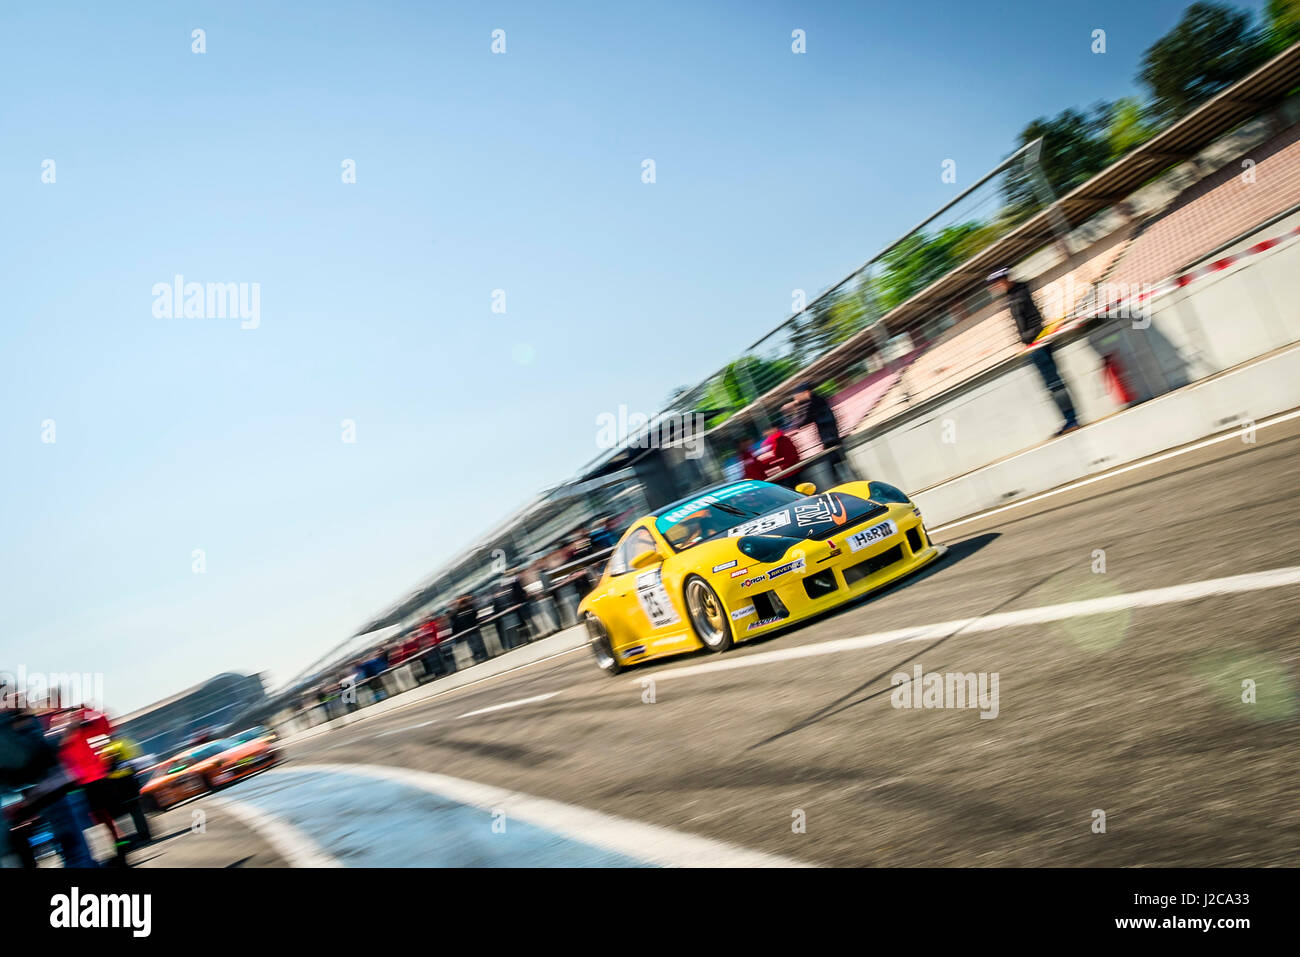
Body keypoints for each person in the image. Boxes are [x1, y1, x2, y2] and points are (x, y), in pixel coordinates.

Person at [988, 268, 1080, 436]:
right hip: (1033, 344)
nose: (996, 287)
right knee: (1051, 385)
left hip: (1038, 342)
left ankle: (1072, 420)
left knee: (1054, 383)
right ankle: (1069, 419)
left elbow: (1033, 318)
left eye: (997, 282)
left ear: (1004, 279)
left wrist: (1033, 338)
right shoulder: (1012, 295)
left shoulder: (1020, 292)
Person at [786, 382, 855, 484]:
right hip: (831, 438)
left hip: (830, 439)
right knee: (840, 466)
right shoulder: (818, 400)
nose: (797, 398)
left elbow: (804, 419)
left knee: (835, 469)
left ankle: (842, 484)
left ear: (806, 393)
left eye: (798, 396)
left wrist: (793, 419)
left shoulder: (814, 403)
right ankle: (845, 482)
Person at [451, 595, 487, 664]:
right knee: (473, 647)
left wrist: (468, 602)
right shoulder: (458, 612)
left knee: (479, 645)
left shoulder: (469, 608)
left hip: (473, 630)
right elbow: (454, 619)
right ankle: (478, 659)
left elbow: (475, 613)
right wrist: (458, 606)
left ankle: (484, 657)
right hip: (468, 632)